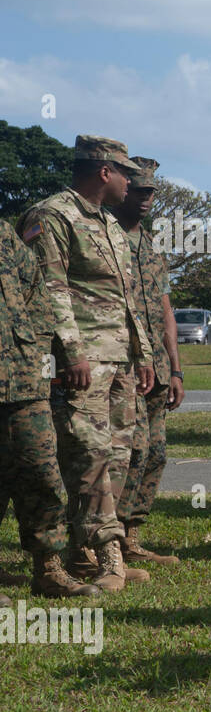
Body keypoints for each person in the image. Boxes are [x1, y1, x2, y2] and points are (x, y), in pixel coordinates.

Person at [18, 135, 154, 592]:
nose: (130, 183)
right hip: (83, 361)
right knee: (88, 455)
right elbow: (48, 289)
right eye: (125, 173)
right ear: (104, 172)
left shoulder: (111, 225)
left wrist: (144, 356)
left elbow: (129, 299)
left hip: (120, 360)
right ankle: (108, 557)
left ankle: (86, 550)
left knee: (117, 454)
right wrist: (70, 351)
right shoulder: (51, 215)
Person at [0, 220, 98, 599]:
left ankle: (49, 569)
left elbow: (37, 295)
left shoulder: (6, 235)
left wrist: (37, 351)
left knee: (42, 473)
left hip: (23, 380)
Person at [113, 157, 185, 568]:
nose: (144, 199)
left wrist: (175, 369)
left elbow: (165, 311)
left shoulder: (152, 247)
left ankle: (131, 535)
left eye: (150, 192)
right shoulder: (104, 238)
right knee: (124, 453)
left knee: (154, 452)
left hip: (156, 368)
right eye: (138, 190)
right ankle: (100, 541)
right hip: (119, 365)